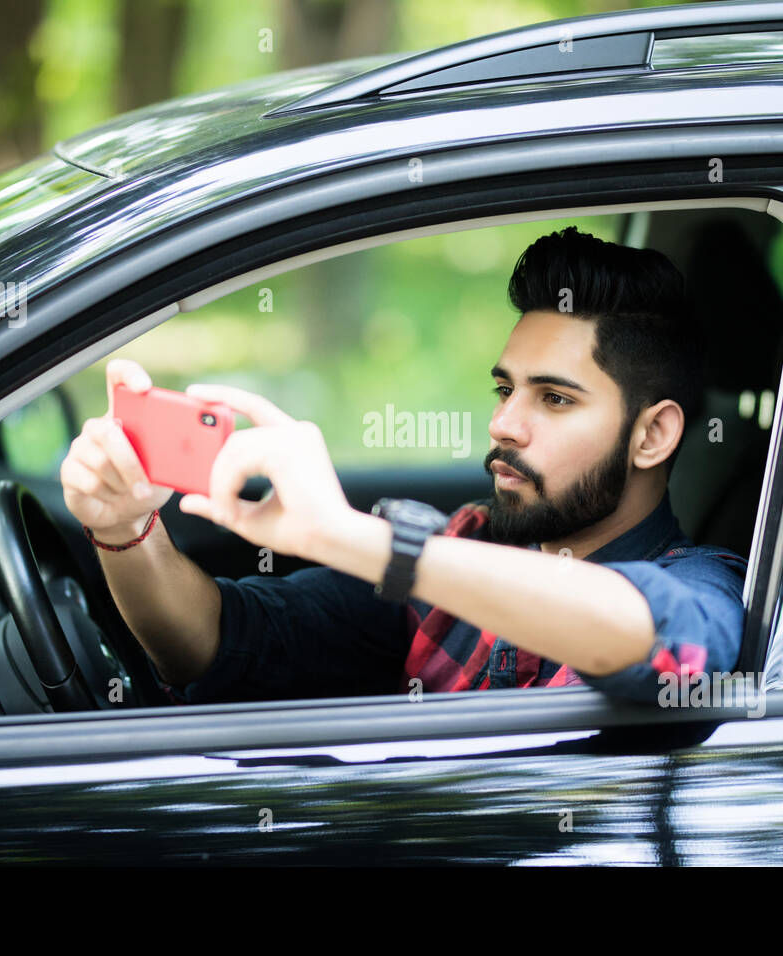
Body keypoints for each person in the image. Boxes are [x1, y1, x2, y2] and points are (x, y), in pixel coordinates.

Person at [59, 226, 747, 705]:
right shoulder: (465, 546)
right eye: (506, 389)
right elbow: (216, 642)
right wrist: (126, 530)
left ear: (652, 435)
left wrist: (348, 535)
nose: (504, 424)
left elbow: (667, 645)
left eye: (556, 399)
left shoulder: (703, 582)